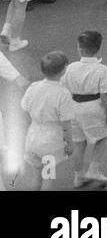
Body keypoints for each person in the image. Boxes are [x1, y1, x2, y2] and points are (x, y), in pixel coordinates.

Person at [65, 29, 107, 189]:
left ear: (79, 48)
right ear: (98, 48)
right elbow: (104, 96)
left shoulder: (71, 67)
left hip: (74, 107)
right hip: (93, 107)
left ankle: (78, 177)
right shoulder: (102, 69)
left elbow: (64, 89)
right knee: (101, 138)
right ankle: (94, 169)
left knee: (79, 143)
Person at [20, 51, 75, 191]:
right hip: (51, 142)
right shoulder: (63, 94)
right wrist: (69, 143)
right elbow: (66, 124)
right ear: (63, 70)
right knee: (48, 176)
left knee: (36, 175)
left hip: (32, 137)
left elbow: (25, 111)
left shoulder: (33, 87)